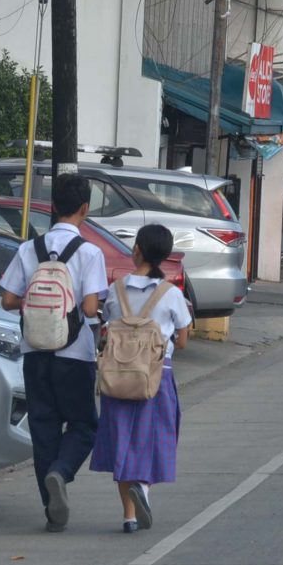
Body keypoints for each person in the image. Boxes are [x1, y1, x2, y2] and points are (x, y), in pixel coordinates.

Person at [0, 174, 108, 532]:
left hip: (35, 352)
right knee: (84, 424)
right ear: (85, 209)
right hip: (75, 354)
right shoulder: (91, 253)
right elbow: (91, 309)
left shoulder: (29, 249)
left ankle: (52, 510)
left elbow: (8, 300)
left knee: (43, 427)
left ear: (52, 207)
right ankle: (61, 472)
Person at [89, 224, 192, 533]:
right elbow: (183, 340)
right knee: (154, 439)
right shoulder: (172, 294)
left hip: (117, 376)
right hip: (157, 376)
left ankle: (129, 516)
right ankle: (144, 488)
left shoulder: (116, 290)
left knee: (122, 440)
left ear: (137, 250)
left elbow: (105, 324)